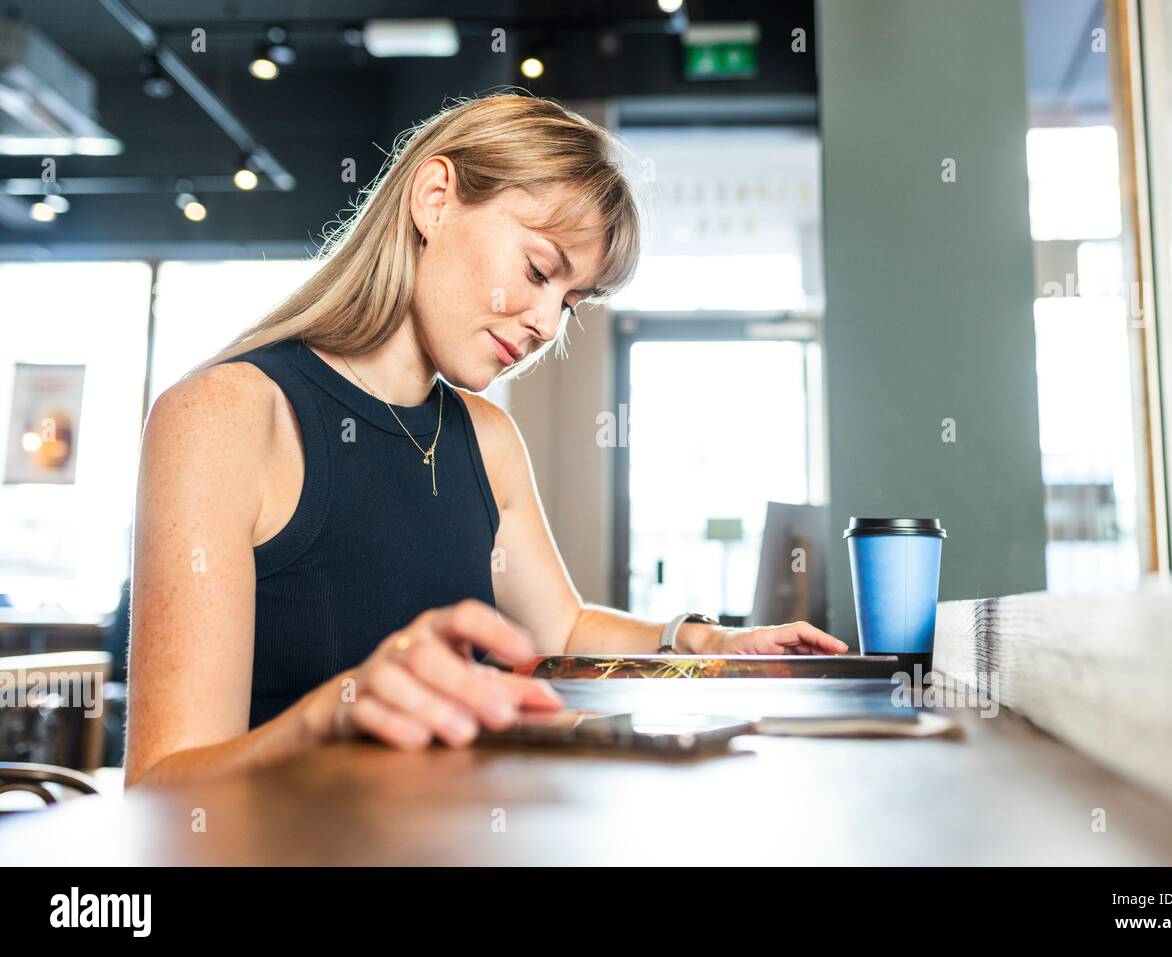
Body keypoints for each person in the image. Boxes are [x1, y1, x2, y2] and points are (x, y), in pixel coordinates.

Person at [125, 93, 845, 788]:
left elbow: (563, 629)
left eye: (570, 302)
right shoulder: (223, 417)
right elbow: (161, 787)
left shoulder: (488, 438)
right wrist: (335, 715)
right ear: (434, 198)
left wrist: (706, 642)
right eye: (538, 271)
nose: (545, 324)